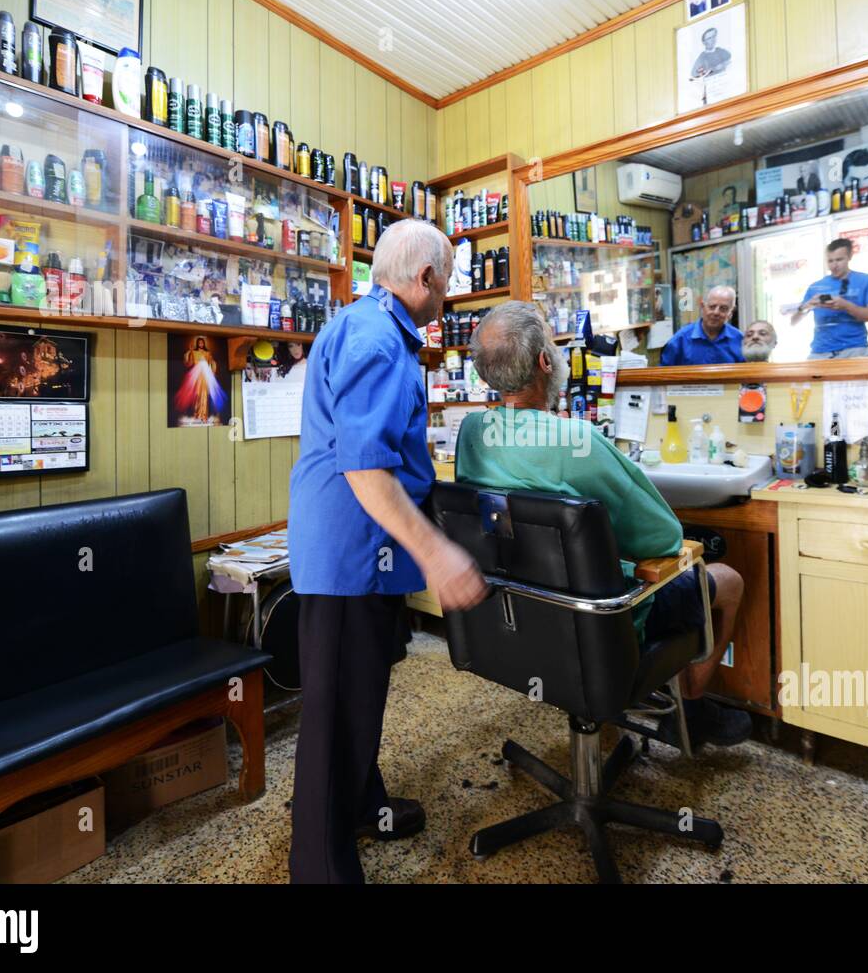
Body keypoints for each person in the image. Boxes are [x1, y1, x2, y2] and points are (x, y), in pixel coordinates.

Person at [287, 220, 487, 884]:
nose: (449, 293)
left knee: (359, 693)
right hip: (349, 554)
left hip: (362, 553)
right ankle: (321, 866)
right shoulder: (376, 340)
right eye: (449, 278)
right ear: (424, 277)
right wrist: (438, 554)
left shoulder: (369, 323)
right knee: (335, 712)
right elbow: (367, 469)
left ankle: (363, 804)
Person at [456, 301, 752, 748]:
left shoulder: (472, 433)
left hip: (518, 620)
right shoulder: (576, 440)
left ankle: (606, 721)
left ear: (484, 374)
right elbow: (663, 537)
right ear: (544, 362)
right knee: (726, 580)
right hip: (600, 624)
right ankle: (691, 709)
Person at [788, 238, 868, 359]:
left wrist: (846, 306)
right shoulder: (815, 287)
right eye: (830, 261)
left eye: (839, 260)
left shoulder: (867, 280)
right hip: (820, 352)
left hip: (856, 349)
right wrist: (808, 306)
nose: (834, 265)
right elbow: (793, 322)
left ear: (849, 256)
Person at [660, 285, 743, 366]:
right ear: (703, 307)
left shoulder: (739, 339)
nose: (716, 312)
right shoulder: (680, 339)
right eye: (712, 307)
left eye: (723, 308)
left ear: (731, 313)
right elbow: (663, 374)